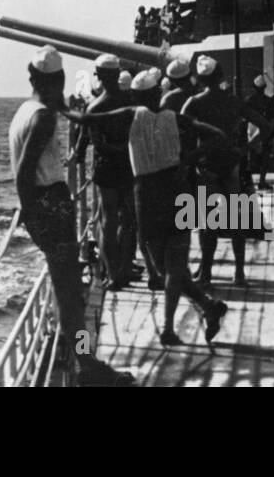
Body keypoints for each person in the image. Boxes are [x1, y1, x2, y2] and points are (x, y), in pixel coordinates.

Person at [69, 69, 230, 345]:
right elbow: (217, 135)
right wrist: (189, 159)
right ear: (158, 93)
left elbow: (88, 119)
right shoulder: (174, 118)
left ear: (136, 95)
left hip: (147, 194)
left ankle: (169, 328)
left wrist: (64, 109)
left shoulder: (131, 114)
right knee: (172, 269)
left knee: (169, 267)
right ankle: (208, 306)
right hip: (172, 192)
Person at [9, 45, 132, 386]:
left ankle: (83, 360)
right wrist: (38, 220)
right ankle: (87, 365)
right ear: (59, 79)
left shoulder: (27, 109)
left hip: (43, 206)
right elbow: (24, 173)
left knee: (68, 290)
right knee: (71, 295)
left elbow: (22, 175)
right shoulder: (44, 117)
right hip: (51, 205)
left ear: (31, 77)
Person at [182, 56, 271, 287]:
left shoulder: (194, 102)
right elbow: (265, 125)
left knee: (207, 224)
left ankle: (206, 274)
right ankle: (239, 273)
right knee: (237, 222)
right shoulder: (234, 102)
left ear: (200, 79)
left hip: (206, 167)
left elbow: (179, 130)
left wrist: (191, 155)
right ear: (220, 75)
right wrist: (246, 147)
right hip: (231, 165)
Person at [72, 54, 141, 290]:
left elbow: (99, 145)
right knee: (129, 219)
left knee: (107, 221)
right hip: (129, 165)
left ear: (98, 76)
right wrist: (126, 150)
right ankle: (124, 267)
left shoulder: (95, 107)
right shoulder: (132, 101)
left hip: (106, 168)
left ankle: (112, 275)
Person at [243, 74, 274, 190]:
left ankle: (249, 182)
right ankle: (262, 180)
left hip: (252, 128)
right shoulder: (268, 101)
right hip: (264, 128)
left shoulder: (249, 100)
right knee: (265, 156)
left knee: (251, 155)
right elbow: (272, 117)